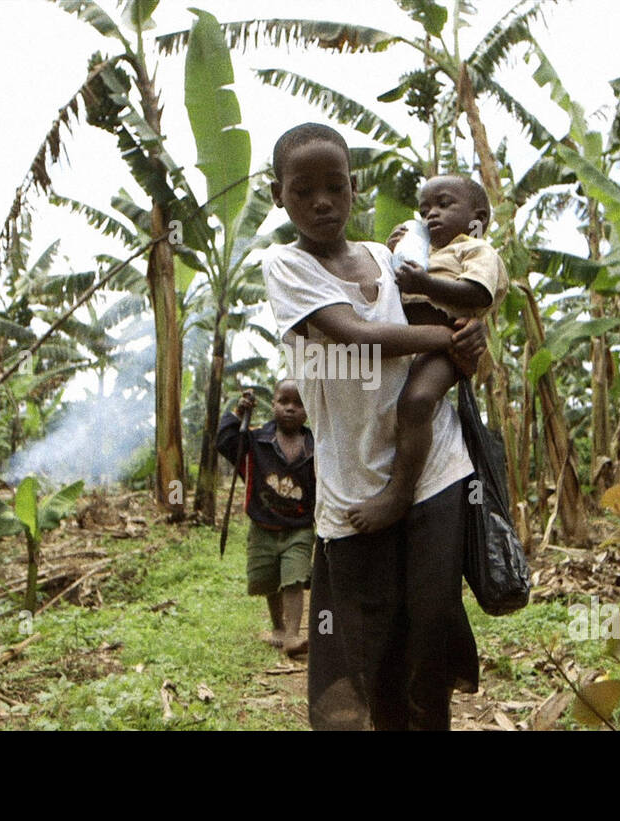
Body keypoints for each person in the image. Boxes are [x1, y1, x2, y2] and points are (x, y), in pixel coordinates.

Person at [261, 122, 487, 730]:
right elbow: (359, 338)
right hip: (355, 480)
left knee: (429, 625)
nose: (322, 202)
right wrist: (452, 336)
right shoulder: (285, 265)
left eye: (335, 186)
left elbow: (457, 316)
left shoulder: (392, 259)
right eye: (303, 190)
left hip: (435, 465)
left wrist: (472, 333)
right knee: (364, 640)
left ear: (353, 187)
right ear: (277, 194)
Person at [346, 175, 508, 533]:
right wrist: (391, 255)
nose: (431, 214)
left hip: (448, 343)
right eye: (424, 209)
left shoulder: (476, 250)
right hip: (410, 344)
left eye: (444, 204)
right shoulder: (424, 252)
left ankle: (400, 493)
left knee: (417, 402)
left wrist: (424, 283)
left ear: (477, 218)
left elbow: (477, 294)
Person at [216, 380, 314, 657]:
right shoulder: (256, 439)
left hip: (299, 527)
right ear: (273, 405)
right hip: (263, 525)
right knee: (269, 578)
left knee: (294, 578)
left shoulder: (315, 446)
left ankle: (294, 635)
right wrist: (237, 413)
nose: (291, 409)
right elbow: (225, 442)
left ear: (308, 411)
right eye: (284, 402)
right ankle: (279, 628)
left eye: (299, 404)